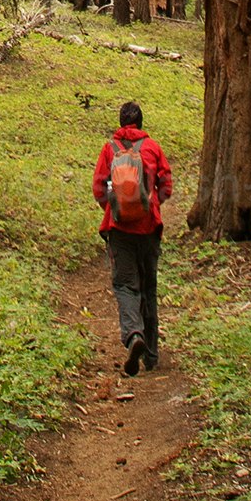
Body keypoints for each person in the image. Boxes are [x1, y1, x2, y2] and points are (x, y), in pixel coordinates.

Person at [93, 97, 172, 375]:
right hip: (149, 230)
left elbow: (99, 188)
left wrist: (115, 209)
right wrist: (152, 206)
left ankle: (133, 335)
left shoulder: (110, 149)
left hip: (119, 232)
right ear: (140, 122)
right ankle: (151, 355)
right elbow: (167, 185)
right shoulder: (152, 148)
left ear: (120, 123)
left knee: (127, 286)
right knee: (148, 288)